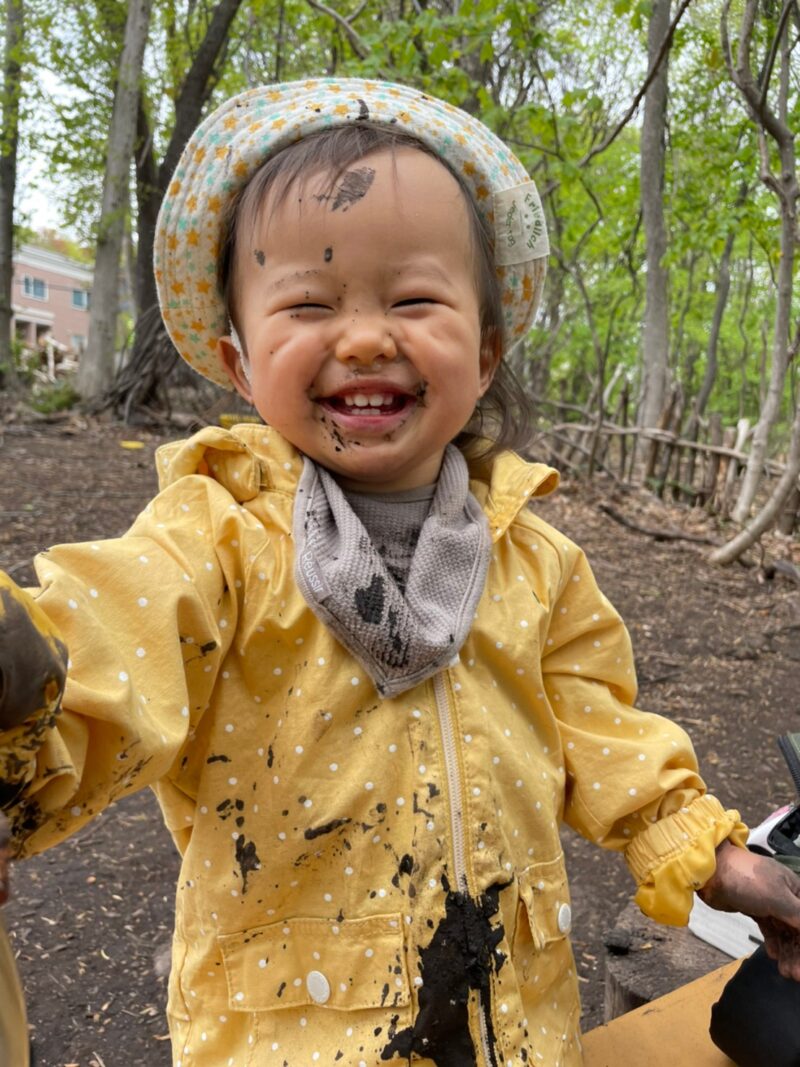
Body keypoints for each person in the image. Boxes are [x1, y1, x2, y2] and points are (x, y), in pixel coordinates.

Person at [1, 79, 799, 1067]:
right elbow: (109, 644)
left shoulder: (536, 564)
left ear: (485, 349)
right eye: (308, 303)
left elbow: (608, 738)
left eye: (414, 299)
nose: (367, 336)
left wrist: (711, 856)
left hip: (513, 1032)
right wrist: (22, 703)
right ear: (239, 363)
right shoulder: (215, 544)